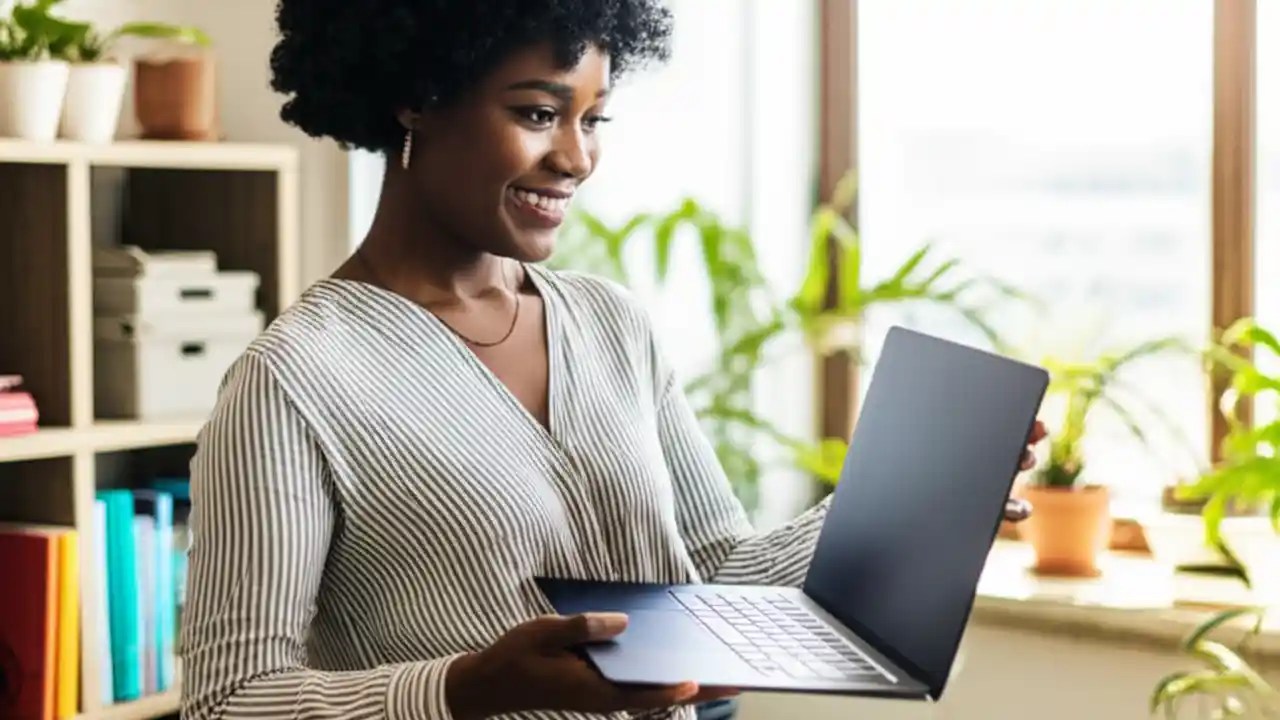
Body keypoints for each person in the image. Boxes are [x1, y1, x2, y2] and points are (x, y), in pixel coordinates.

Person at [178, 2, 1047, 719]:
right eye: (537, 113)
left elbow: (715, 575)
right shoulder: (295, 379)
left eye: (594, 119)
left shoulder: (611, 324)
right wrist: (462, 688)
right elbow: (229, 700)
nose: (577, 157)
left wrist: (915, 501)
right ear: (417, 97)